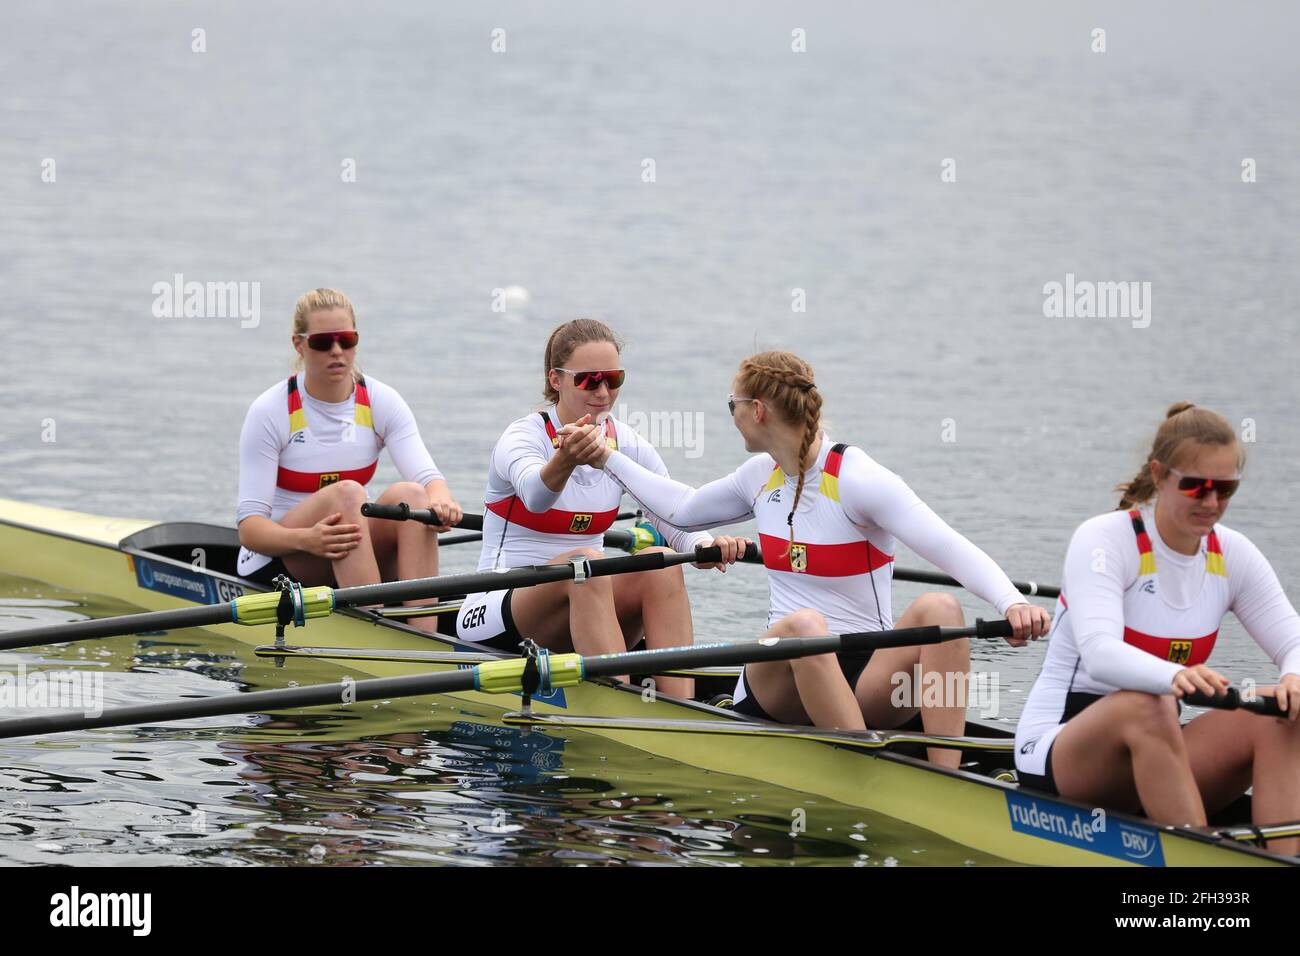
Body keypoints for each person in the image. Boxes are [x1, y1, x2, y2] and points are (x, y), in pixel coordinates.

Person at [569, 350, 1049, 765]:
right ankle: (864, 770)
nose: (731, 415)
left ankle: (947, 776)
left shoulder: (858, 479)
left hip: (867, 678)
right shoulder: (758, 476)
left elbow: (947, 545)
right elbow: (682, 509)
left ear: (758, 410)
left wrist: (1010, 603)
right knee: (805, 625)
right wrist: (606, 456)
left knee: (941, 609)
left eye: (732, 405)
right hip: (778, 683)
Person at [1015, 402, 1300, 854]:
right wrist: (1174, 676)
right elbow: (1100, 653)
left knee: (1282, 710)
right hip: (1060, 749)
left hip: (1157, 745)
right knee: (1150, 704)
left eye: (1225, 489)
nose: (1212, 503)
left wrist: (1293, 677)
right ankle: (1197, 867)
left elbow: (1293, 641)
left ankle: (1281, 858)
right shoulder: (1105, 539)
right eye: (1196, 486)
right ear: (1160, 474)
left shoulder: (1233, 555)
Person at [455, 318, 748, 699]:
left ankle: (682, 706)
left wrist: (706, 546)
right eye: (589, 380)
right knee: (587, 564)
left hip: (585, 600)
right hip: (496, 608)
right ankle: (617, 706)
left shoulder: (628, 444)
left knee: (659, 563)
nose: (604, 392)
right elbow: (535, 497)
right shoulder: (523, 437)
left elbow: (674, 515)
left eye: (613, 379)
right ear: (556, 380)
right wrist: (565, 460)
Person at [236, 288, 461, 632]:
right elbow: (250, 529)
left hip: (347, 546)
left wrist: (441, 501)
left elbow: (428, 478)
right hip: (281, 557)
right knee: (349, 494)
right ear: (299, 345)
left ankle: (424, 635)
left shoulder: (382, 401)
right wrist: (308, 539)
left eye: (346, 340)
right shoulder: (270, 411)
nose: (337, 351)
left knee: (413, 495)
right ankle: (373, 633)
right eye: (322, 342)